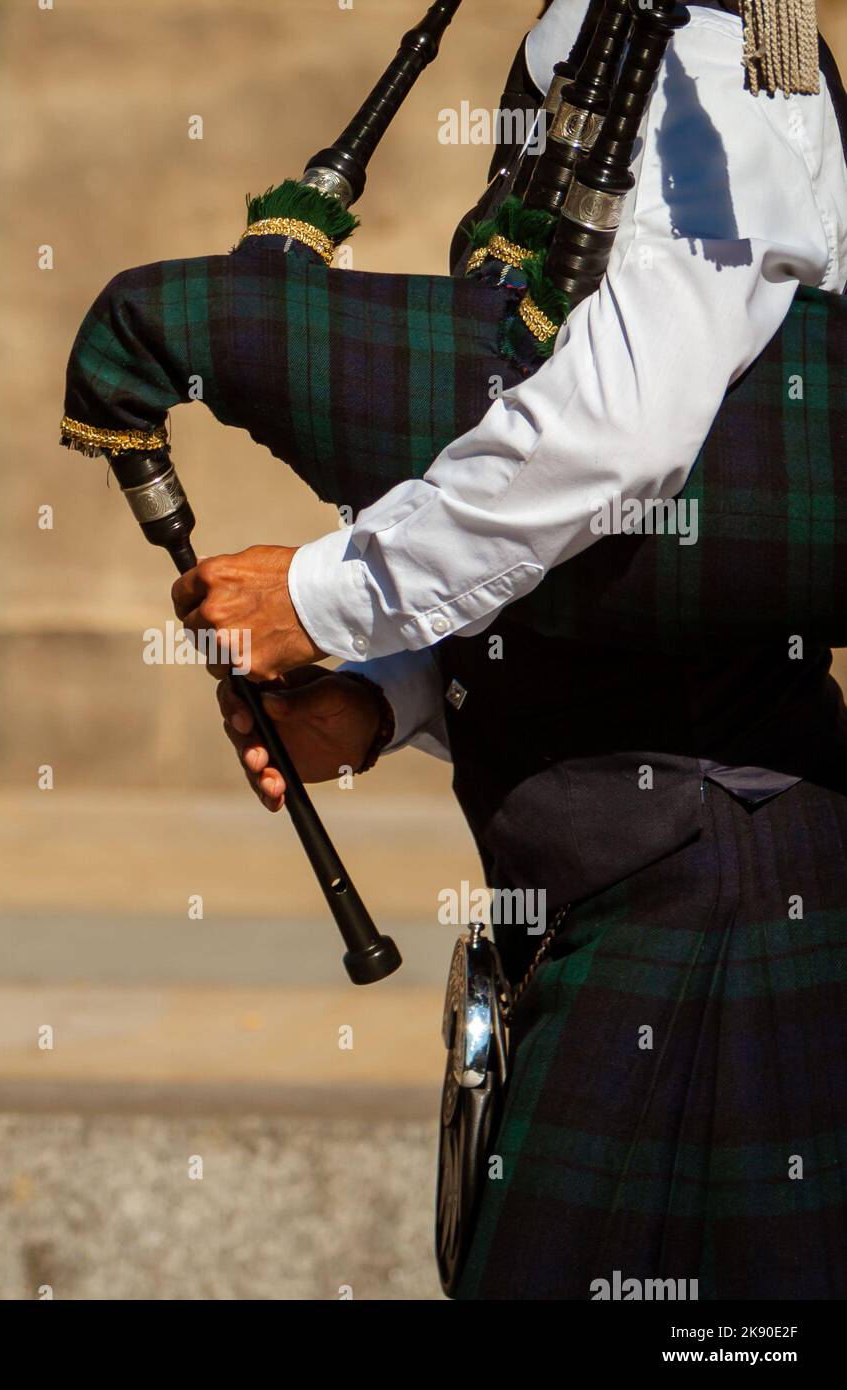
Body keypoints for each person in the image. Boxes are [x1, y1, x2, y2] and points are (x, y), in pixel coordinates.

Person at [172, 0, 847, 1298]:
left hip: (717, 884)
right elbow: (584, 530)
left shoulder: (721, 52)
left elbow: (625, 441)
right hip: (610, 884)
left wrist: (332, 591)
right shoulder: (580, 35)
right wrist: (384, 695)